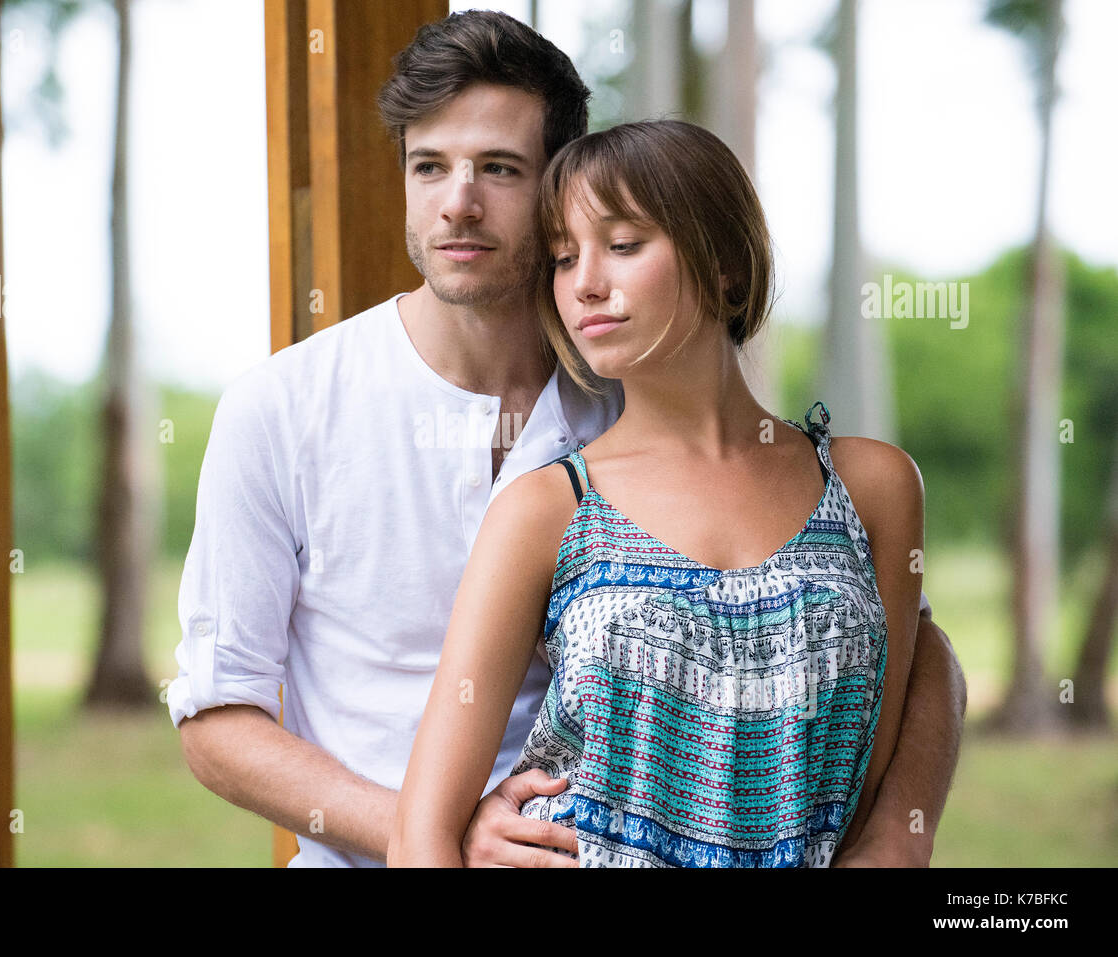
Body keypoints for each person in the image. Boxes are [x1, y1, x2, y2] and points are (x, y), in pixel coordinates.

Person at [172, 10, 965, 868]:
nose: (457, 202)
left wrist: (896, 832)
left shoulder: (635, 390)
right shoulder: (280, 409)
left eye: (499, 169)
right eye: (428, 166)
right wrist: (430, 826)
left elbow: (911, 649)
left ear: (563, 184)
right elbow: (217, 719)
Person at [388, 119, 924, 867]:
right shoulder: (549, 508)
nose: (584, 284)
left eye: (624, 245)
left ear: (728, 267)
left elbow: (900, 713)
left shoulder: (872, 488)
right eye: (564, 257)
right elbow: (422, 836)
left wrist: (904, 833)